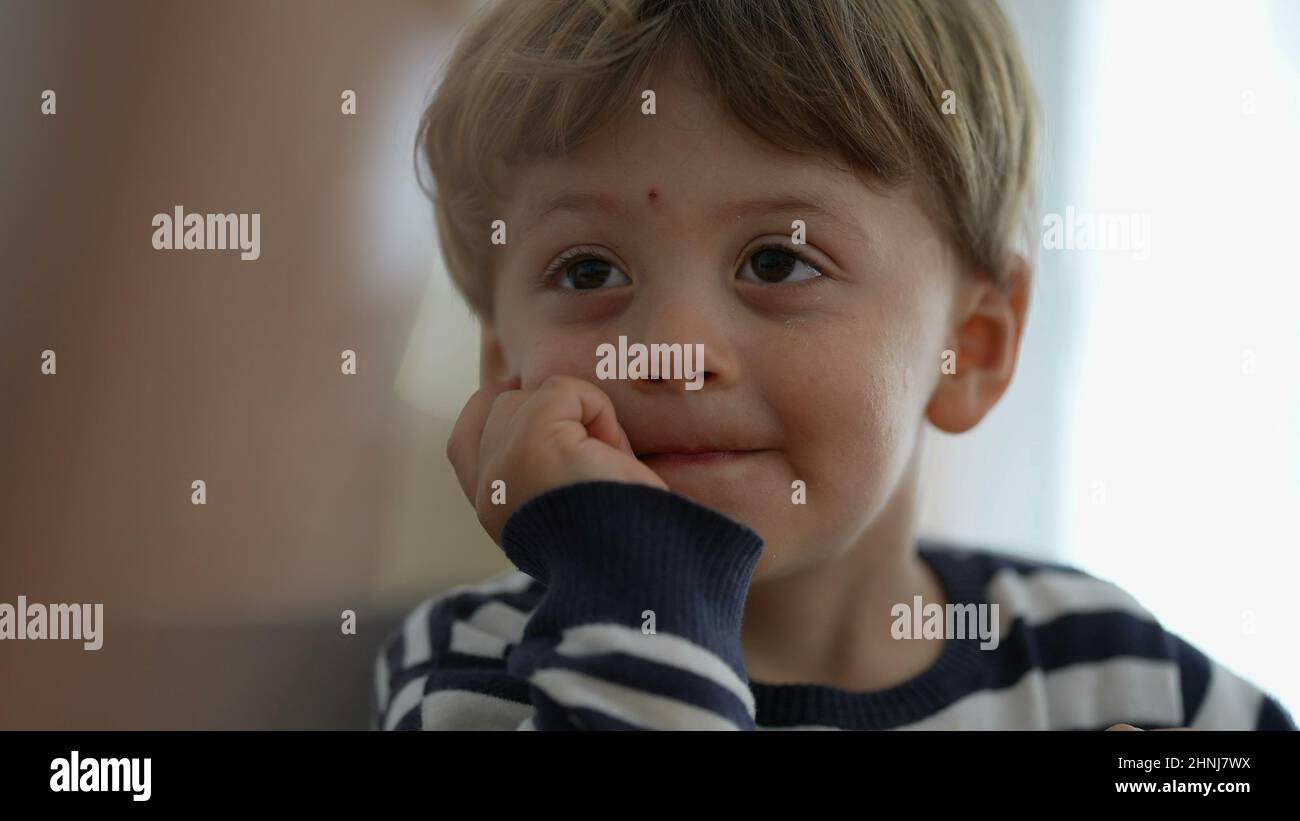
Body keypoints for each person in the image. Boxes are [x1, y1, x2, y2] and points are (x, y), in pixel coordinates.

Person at [373, 0, 1295, 730]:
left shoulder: (1101, 667)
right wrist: (632, 580)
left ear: (969, 348)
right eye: (588, 270)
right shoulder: (479, 660)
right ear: (502, 369)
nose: (674, 352)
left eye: (778, 261)